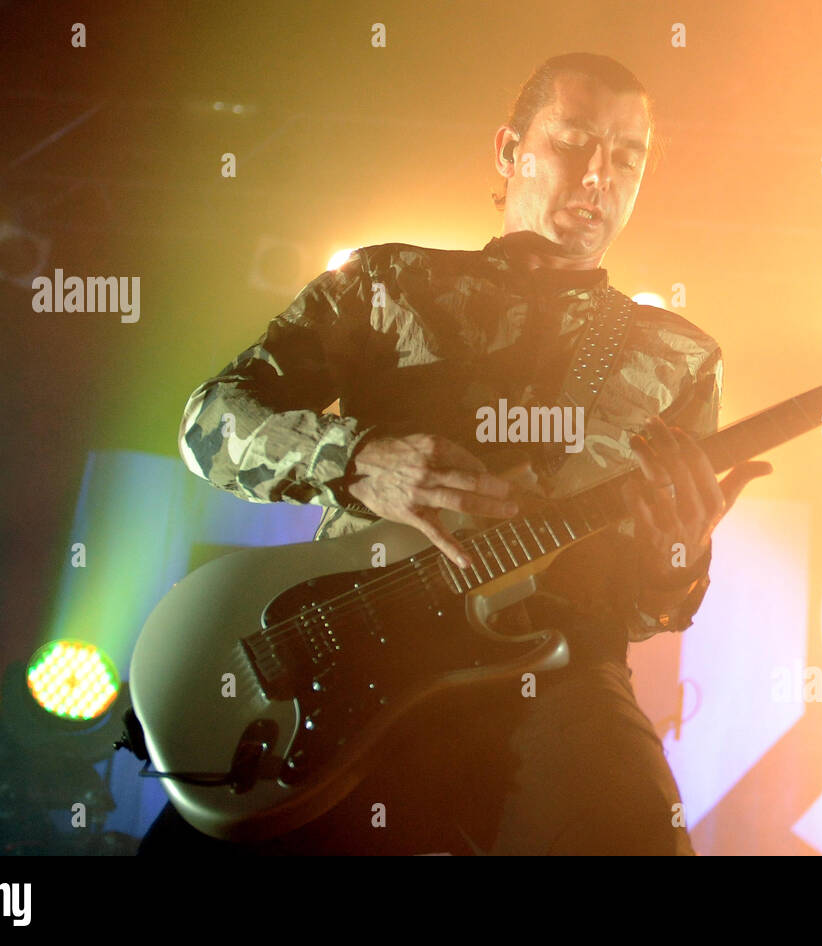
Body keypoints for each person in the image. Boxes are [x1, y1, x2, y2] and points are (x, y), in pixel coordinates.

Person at [138, 51, 771, 856]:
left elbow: (650, 611)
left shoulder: (680, 356)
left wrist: (675, 553)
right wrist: (360, 459)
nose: (599, 176)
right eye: (576, 143)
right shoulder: (386, 283)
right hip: (349, 656)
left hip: (557, 678)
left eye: (627, 157)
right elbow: (207, 423)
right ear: (510, 152)